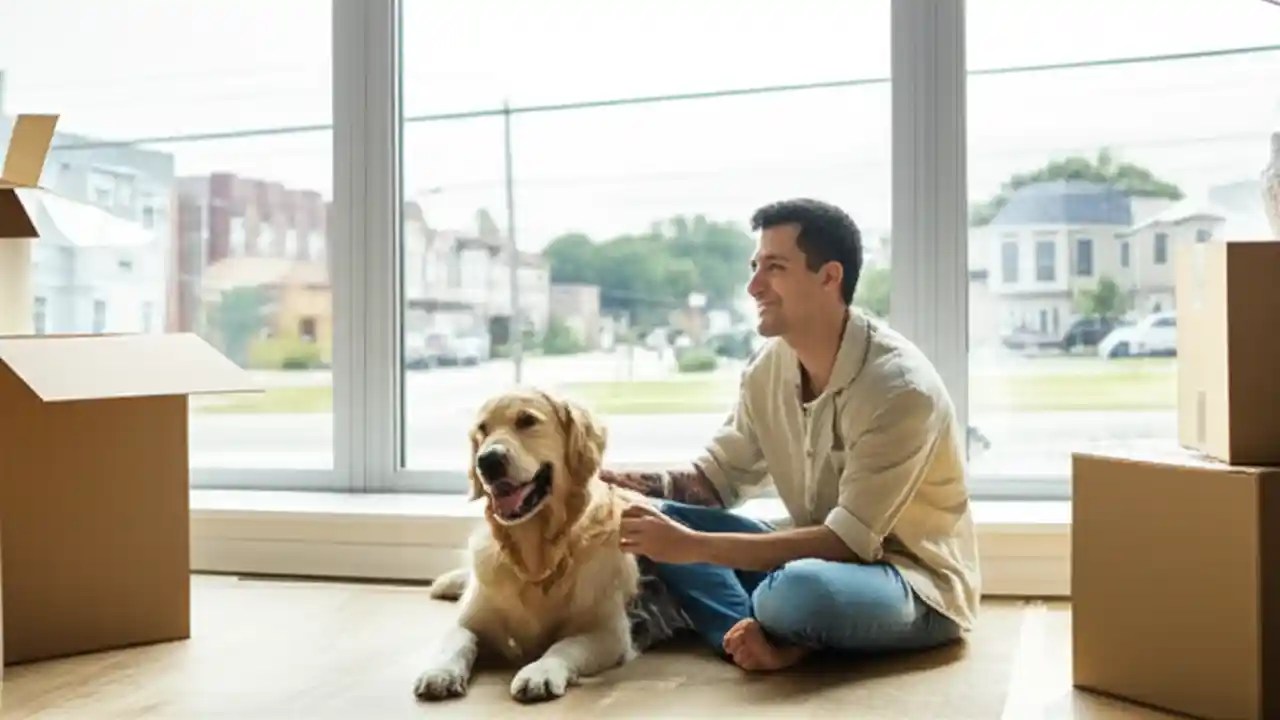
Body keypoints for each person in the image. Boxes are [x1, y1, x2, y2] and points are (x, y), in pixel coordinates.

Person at [603, 198, 981, 672]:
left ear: (829, 277)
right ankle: (755, 637)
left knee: (798, 592)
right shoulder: (768, 369)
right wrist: (604, 482)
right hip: (815, 559)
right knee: (649, 520)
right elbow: (711, 484)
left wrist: (692, 548)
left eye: (775, 268)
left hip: (909, 584)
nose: (753, 285)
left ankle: (768, 626)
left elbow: (846, 544)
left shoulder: (899, 389)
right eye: (755, 266)